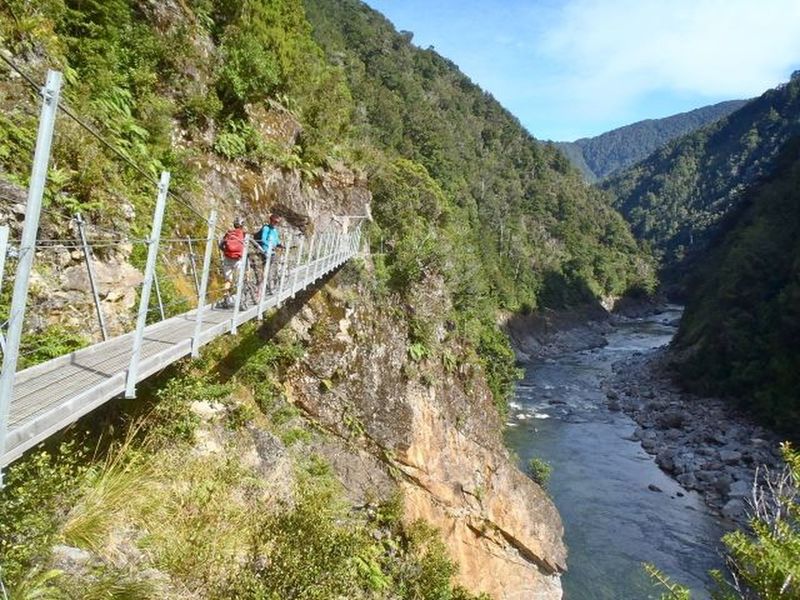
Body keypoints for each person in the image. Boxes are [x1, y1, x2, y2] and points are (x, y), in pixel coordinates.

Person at [252, 213, 283, 295]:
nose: (275, 224)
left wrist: (279, 244)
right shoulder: (266, 228)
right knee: (267, 270)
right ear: (271, 220)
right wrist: (270, 245)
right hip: (265, 251)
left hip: (272, 252)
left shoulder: (274, 230)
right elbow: (263, 239)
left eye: (277, 222)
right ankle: (264, 288)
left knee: (268, 269)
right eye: (274, 222)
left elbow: (276, 240)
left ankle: (266, 286)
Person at [218, 216, 245, 308]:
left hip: (227, 259)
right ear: (242, 225)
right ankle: (240, 301)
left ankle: (225, 299)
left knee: (228, 280)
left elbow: (221, 245)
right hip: (238, 260)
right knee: (239, 280)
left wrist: (226, 252)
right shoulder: (242, 234)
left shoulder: (228, 233)